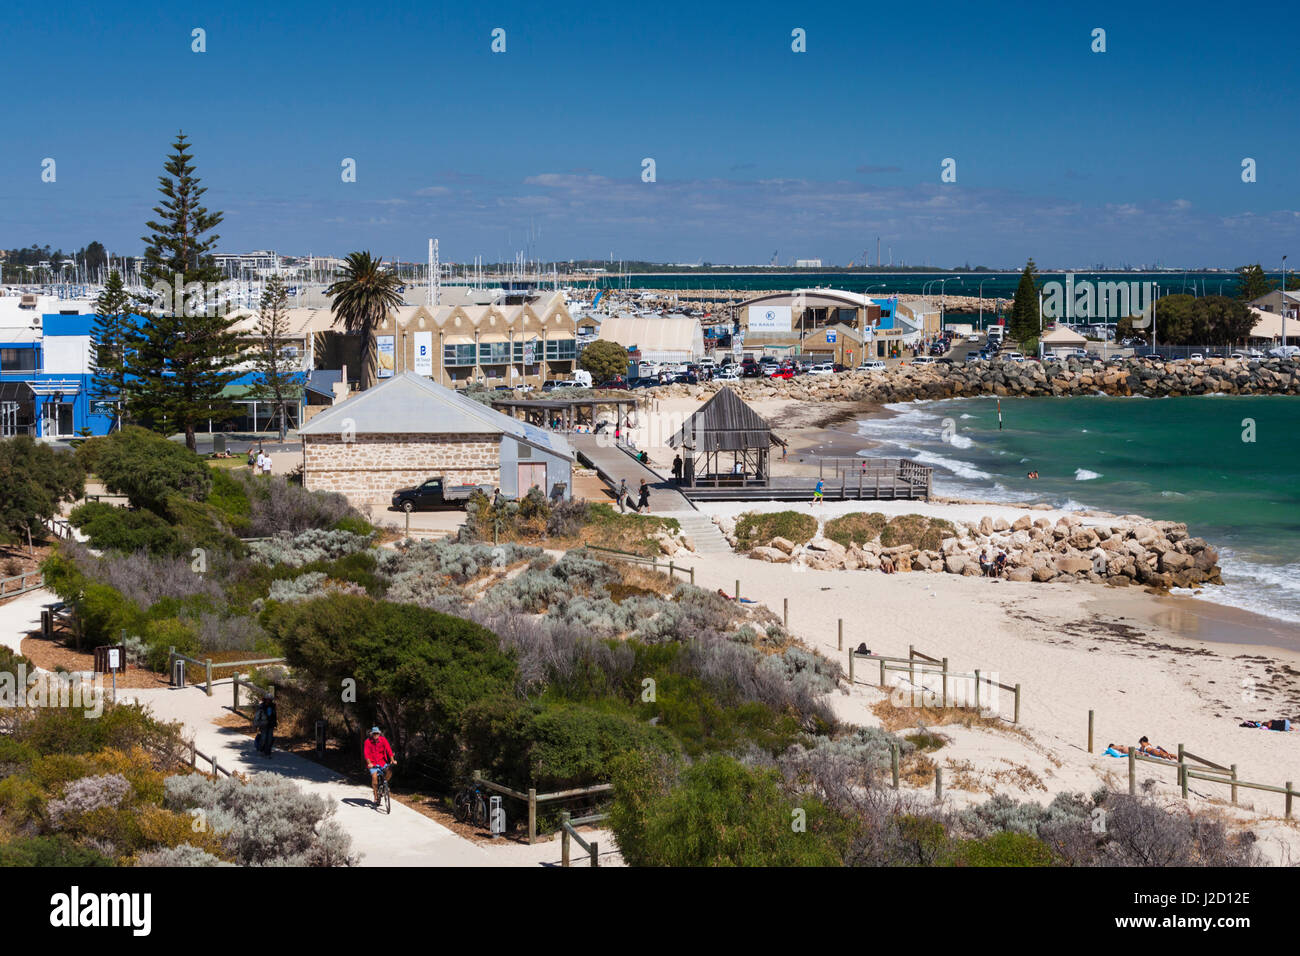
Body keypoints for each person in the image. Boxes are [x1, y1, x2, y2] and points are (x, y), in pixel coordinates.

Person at [364, 726, 396, 807]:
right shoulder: (367, 742)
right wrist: (369, 763)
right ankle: (375, 796)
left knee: (389, 772)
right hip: (373, 763)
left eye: (377, 733)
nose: (376, 735)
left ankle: (383, 785)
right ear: (372, 734)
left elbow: (389, 749)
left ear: (379, 733)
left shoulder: (383, 740)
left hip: (382, 762)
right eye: (374, 733)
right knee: (374, 777)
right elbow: (366, 754)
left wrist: (392, 759)